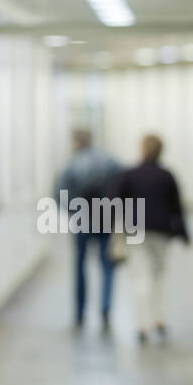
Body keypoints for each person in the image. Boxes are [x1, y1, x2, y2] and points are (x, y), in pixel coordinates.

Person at [114, 134, 189, 344]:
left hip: (136, 231)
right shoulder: (167, 176)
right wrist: (184, 235)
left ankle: (142, 325)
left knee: (140, 277)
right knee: (159, 276)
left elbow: (115, 203)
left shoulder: (129, 175)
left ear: (142, 149)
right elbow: (177, 208)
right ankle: (158, 318)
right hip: (162, 233)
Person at [54, 128, 121, 332]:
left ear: (76, 142)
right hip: (106, 220)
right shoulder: (110, 161)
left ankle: (80, 314)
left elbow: (59, 195)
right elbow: (123, 187)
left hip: (81, 221)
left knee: (80, 267)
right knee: (107, 265)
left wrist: (72, 211)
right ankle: (105, 308)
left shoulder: (71, 165)